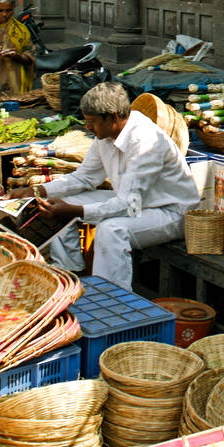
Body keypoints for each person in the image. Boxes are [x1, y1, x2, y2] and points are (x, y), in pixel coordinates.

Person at [36, 82, 199, 291]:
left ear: (112, 117)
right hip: (135, 202)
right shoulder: (106, 135)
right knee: (58, 204)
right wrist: (38, 191)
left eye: (92, 122)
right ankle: (69, 273)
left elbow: (128, 205)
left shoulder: (146, 143)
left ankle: (113, 298)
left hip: (170, 213)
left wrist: (75, 211)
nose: (87, 127)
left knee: (110, 230)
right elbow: (84, 178)